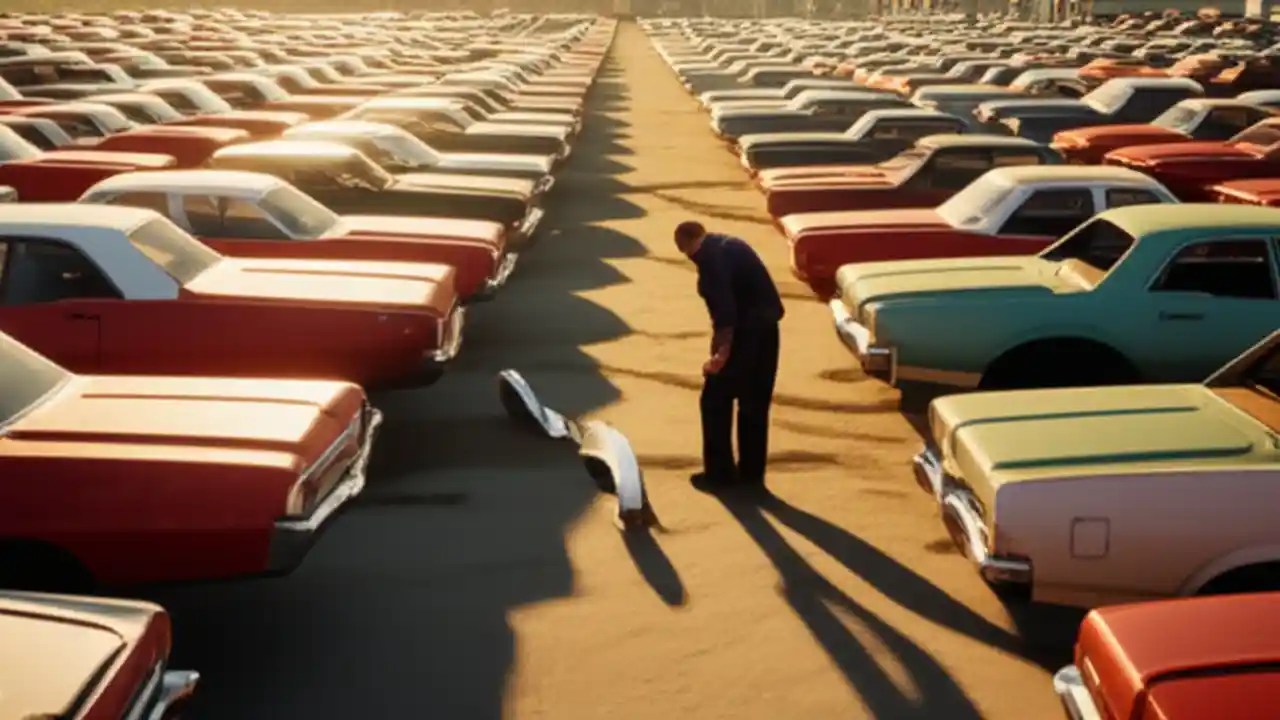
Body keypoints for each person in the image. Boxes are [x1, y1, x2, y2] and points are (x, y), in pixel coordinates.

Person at [674, 221, 784, 490]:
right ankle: (751, 475)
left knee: (714, 400)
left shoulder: (709, 261)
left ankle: (719, 472)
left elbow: (725, 312)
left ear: (686, 245)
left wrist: (720, 356)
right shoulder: (732, 243)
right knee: (754, 404)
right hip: (769, 330)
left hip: (744, 333)